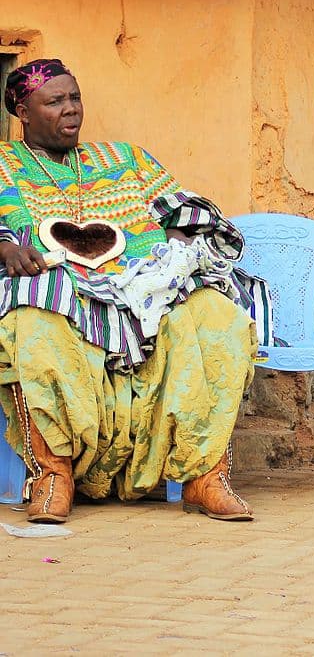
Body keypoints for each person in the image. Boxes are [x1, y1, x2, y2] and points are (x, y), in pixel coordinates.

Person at [0, 59, 269, 523]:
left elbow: (186, 211)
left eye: (75, 98)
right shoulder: (3, 164)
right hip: (56, 288)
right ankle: (53, 475)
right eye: (55, 101)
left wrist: (184, 240)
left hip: (144, 291)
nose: (71, 110)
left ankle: (205, 476)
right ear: (23, 113)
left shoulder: (126, 158)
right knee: (33, 316)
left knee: (218, 317)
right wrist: (3, 247)